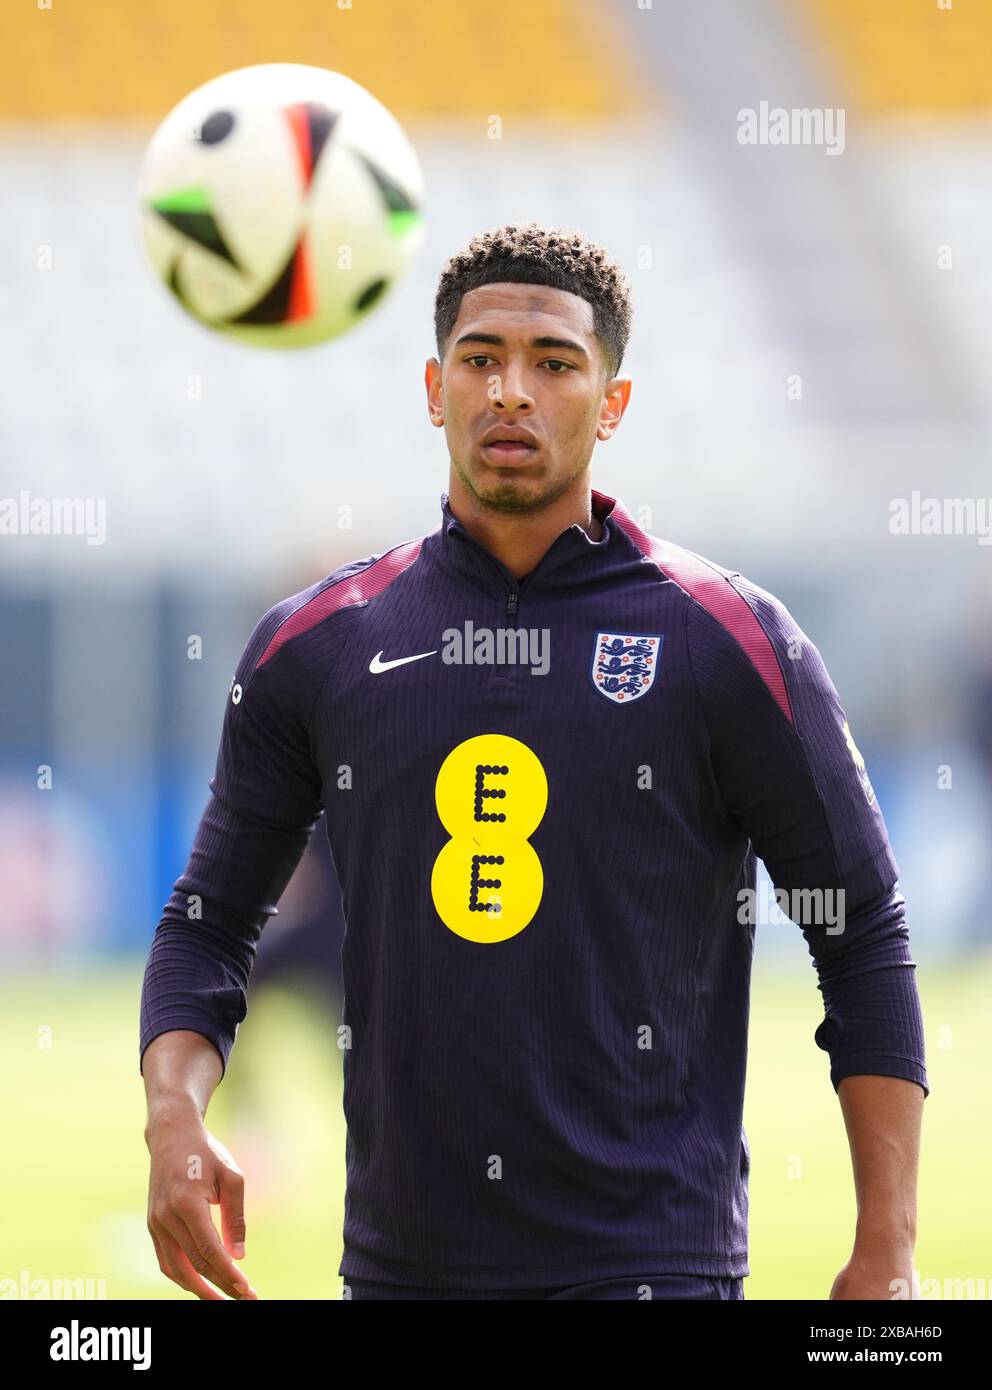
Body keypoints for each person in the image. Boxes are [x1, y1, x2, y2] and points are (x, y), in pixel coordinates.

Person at [140, 222, 928, 1302]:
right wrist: (174, 1116)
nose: (510, 390)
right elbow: (207, 923)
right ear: (432, 387)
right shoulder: (315, 643)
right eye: (479, 359)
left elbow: (863, 932)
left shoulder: (727, 639)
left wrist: (885, 1245)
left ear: (611, 403)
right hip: (398, 1274)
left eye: (553, 363)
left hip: (652, 1270)